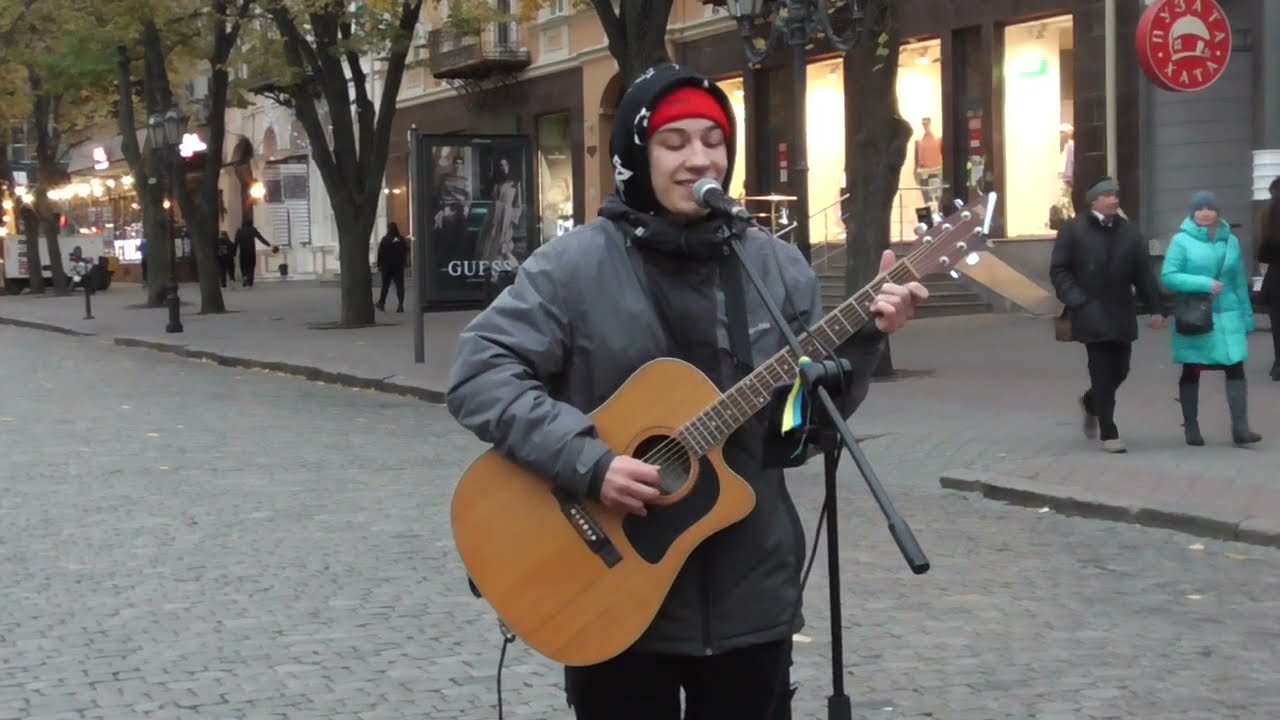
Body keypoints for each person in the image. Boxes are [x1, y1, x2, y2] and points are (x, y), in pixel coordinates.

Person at [444, 63, 927, 720]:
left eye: (713, 140)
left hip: (748, 599)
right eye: (675, 142)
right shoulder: (574, 267)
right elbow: (479, 371)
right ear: (635, 157)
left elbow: (795, 435)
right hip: (607, 595)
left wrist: (863, 342)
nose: (699, 158)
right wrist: (590, 462)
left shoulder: (774, 270)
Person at [1050, 177, 1167, 453]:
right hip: (1090, 310)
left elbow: (1142, 274)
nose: (1114, 199)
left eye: (1116, 195)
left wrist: (1157, 307)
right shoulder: (1074, 230)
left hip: (1121, 310)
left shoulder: (1129, 232)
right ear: (1094, 201)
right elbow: (1059, 270)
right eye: (1108, 196)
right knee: (1101, 372)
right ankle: (1109, 430)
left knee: (1121, 369)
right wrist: (1076, 299)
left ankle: (1092, 403)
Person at [1162, 191, 1262, 447]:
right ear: (1192, 213)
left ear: (1218, 212)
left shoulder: (1231, 241)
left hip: (1228, 317)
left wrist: (1246, 315)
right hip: (1196, 316)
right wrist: (1203, 283)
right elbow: (1169, 276)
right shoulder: (1181, 241)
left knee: (1235, 368)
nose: (1205, 212)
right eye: (1200, 208)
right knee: (1192, 368)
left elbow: (1238, 282)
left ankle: (1240, 428)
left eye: (1210, 208)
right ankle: (1191, 426)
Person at [1258, 176, 1280, 381]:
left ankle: (1279, 365)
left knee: (1278, 324)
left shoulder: (1269, 215)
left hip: (1276, 278)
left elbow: (1262, 253)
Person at [375, 222, 408, 312]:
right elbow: (405, 252)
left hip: (387, 266)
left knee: (385, 285)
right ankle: (400, 305)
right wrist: (404, 262)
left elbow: (380, 253)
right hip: (398, 266)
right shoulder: (401, 240)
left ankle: (381, 303)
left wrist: (379, 265)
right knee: (400, 286)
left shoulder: (385, 239)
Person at [234, 217, 274, 287]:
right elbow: (260, 238)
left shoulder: (239, 231)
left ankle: (245, 276)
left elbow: (236, 242)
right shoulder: (253, 230)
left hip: (243, 252)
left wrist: (233, 251)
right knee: (251, 266)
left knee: (243, 266)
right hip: (251, 252)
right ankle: (250, 281)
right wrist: (269, 245)